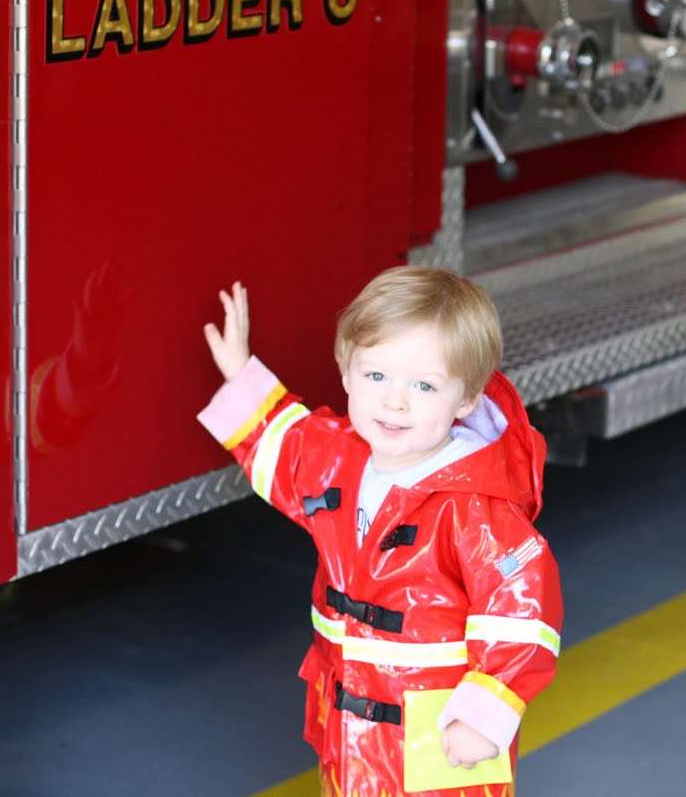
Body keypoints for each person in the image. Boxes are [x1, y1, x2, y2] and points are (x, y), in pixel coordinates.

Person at [198, 266, 562, 797]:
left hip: (437, 738)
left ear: (466, 400)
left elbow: (522, 607)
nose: (395, 401)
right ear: (345, 373)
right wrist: (242, 375)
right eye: (376, 377)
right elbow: (287, 447)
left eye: (424, 385)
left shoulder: (474, 504)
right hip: (351, 724)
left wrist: (487, 711)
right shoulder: (340, 459)